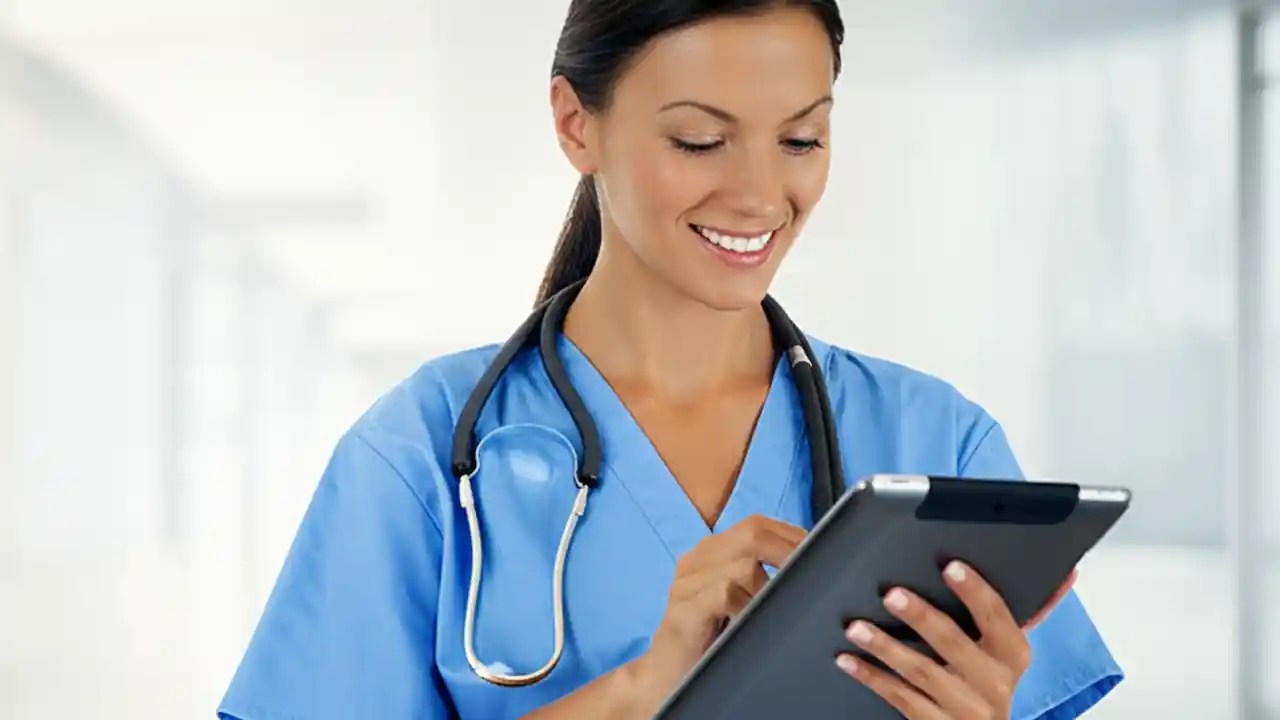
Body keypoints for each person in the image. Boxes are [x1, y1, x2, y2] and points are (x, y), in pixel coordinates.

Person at [217, 1, 1124, 718]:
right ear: (577, 124)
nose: (762, 193)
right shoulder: (422, 455)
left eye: (801, 139)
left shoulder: (937, 441)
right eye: (699, 140)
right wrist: (636, 692)